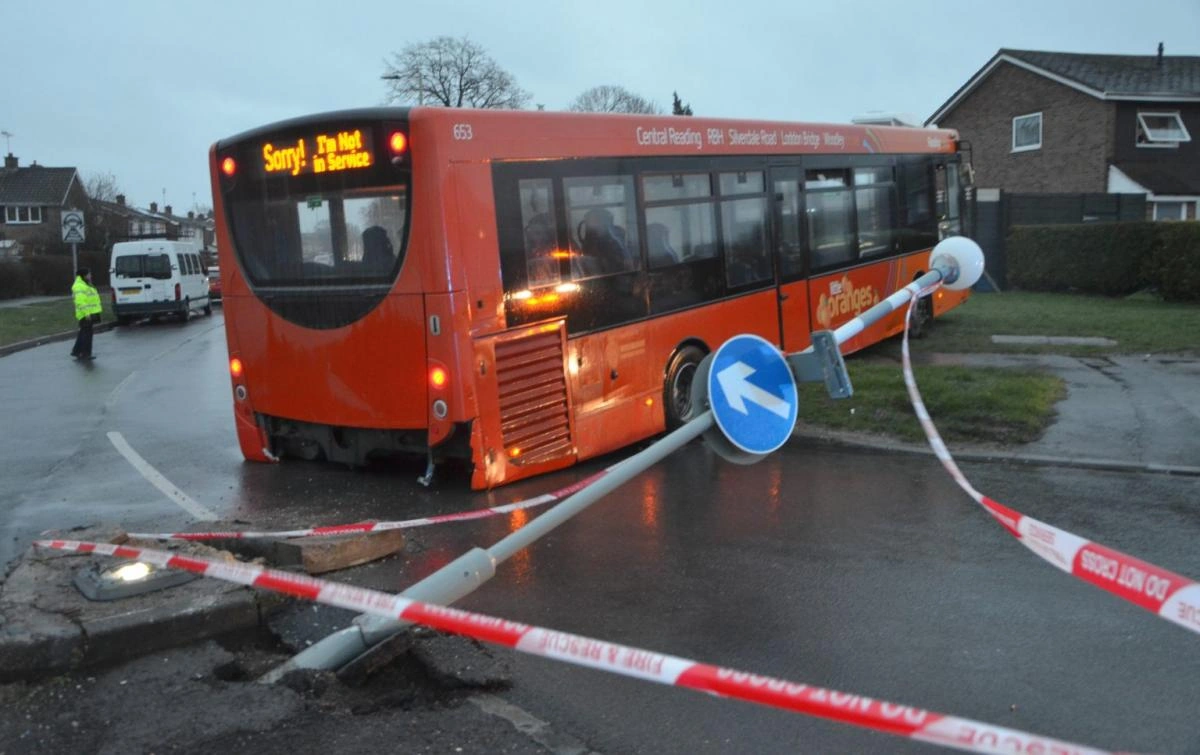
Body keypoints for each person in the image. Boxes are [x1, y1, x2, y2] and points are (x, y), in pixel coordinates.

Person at [70, 267, 102, 361]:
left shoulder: (85, 284)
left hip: (88, 313)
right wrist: (87, 313)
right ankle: (85, 353)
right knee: (87, 334)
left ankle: (77, 351)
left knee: (83, 333)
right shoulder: (80, 286)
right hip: (85, 314)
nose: (90, 276)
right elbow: (80, 302)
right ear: (84, 275)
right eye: (89, 274)